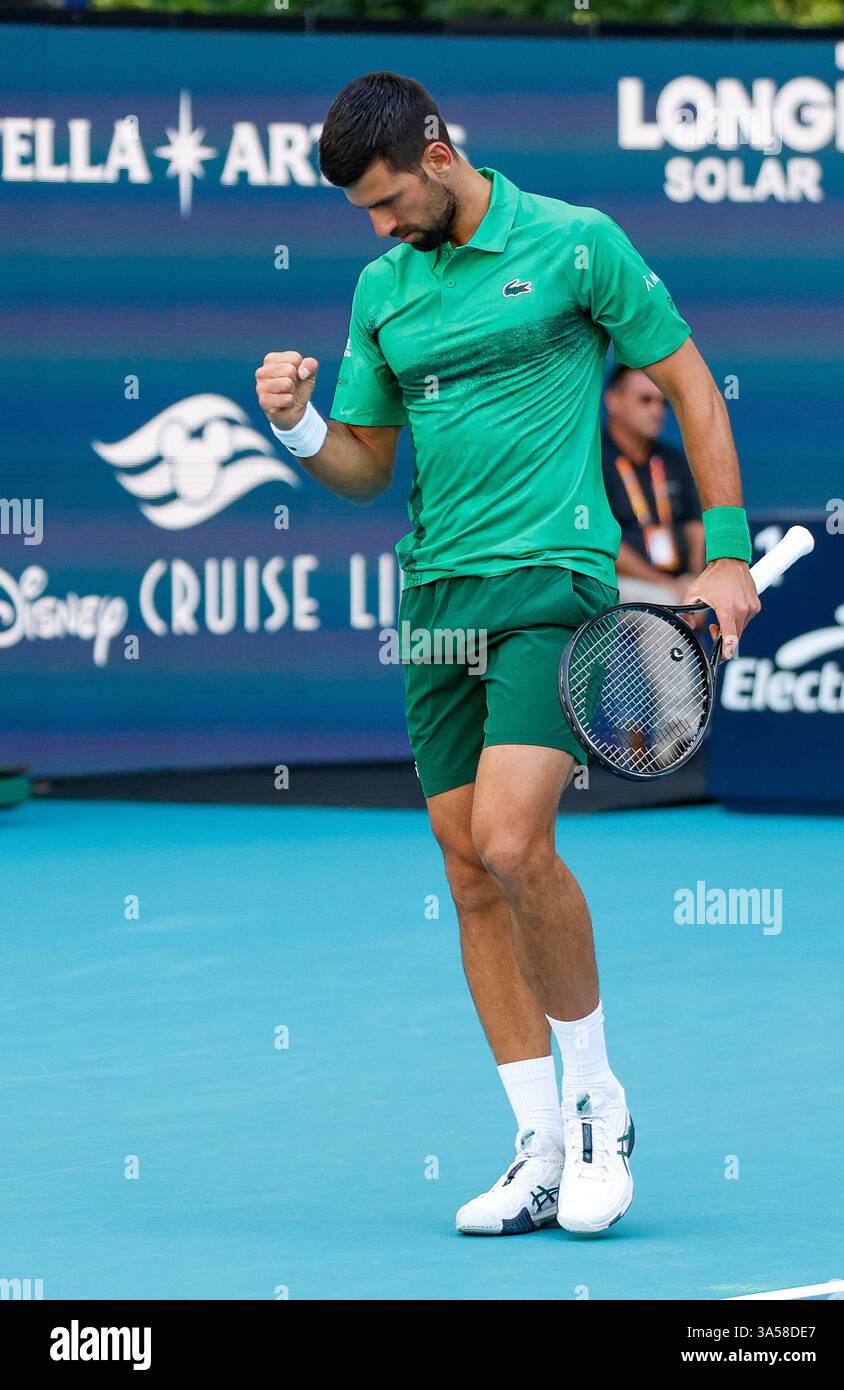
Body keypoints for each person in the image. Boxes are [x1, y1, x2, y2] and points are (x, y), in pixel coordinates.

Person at [255, 72, 759, 1237]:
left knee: (510, 835)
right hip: (435, 595)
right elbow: (367, 465)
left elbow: (686, 380)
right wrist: (295, 426)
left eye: (385, 200)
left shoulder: (577, 247)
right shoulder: (382, 290)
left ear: (436, 153)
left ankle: (597, 1102)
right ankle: (535, 1141)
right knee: (464, 863)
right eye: (362, 215)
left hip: (551, 578)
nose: (376, 227)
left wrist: (721, 552)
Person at [602, 364, 705, 603]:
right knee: (665, 608)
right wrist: (668, 587)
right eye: (645, 400)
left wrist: (694, 581)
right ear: (613, 401)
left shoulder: (674, 459)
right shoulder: (591, 460)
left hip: (677, 584)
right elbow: (601, 539)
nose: (657, 410)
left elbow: (695, 527)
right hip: (615, 583)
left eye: (663, 402)